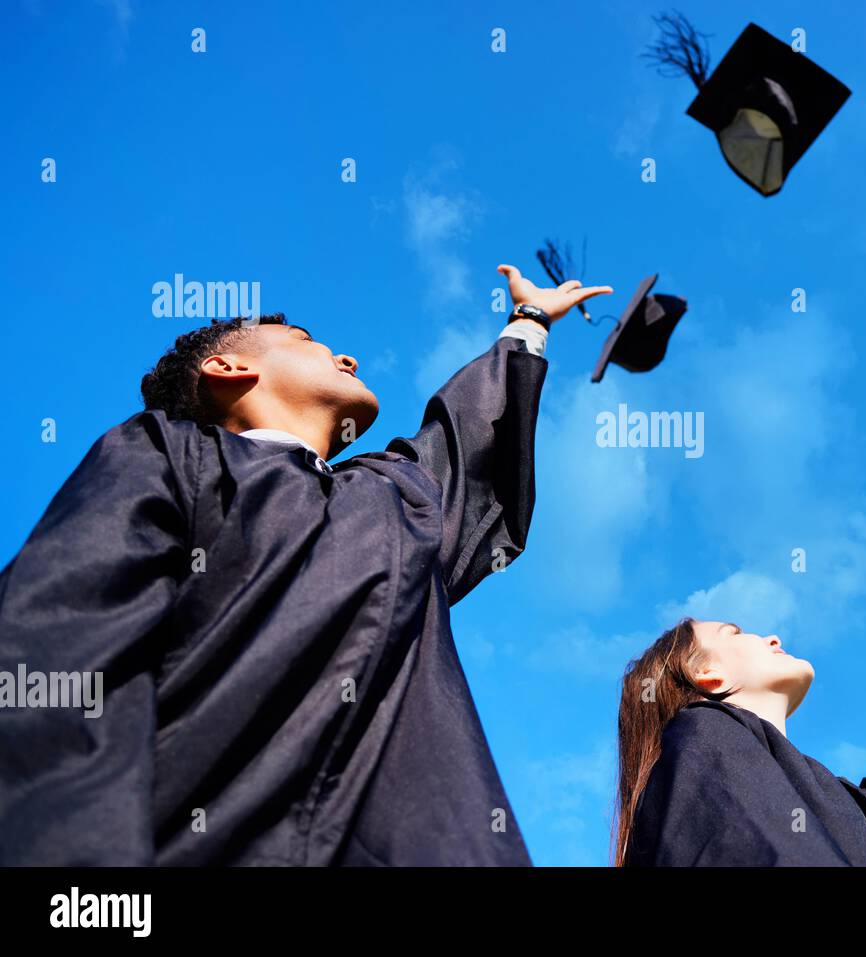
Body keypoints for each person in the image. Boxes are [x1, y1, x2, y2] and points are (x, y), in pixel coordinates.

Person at [0, 264, 613, 866]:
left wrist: (529, 319)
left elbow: (467, 440)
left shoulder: (394, 498)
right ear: (230, 368)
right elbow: (64, 645)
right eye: (305, 343)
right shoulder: (169, 458)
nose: (346, 358)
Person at [614, 526, 866, 866]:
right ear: (705, 674)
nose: (773, 638)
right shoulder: (699, 734)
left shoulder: (854, 810)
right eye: (733, 632)